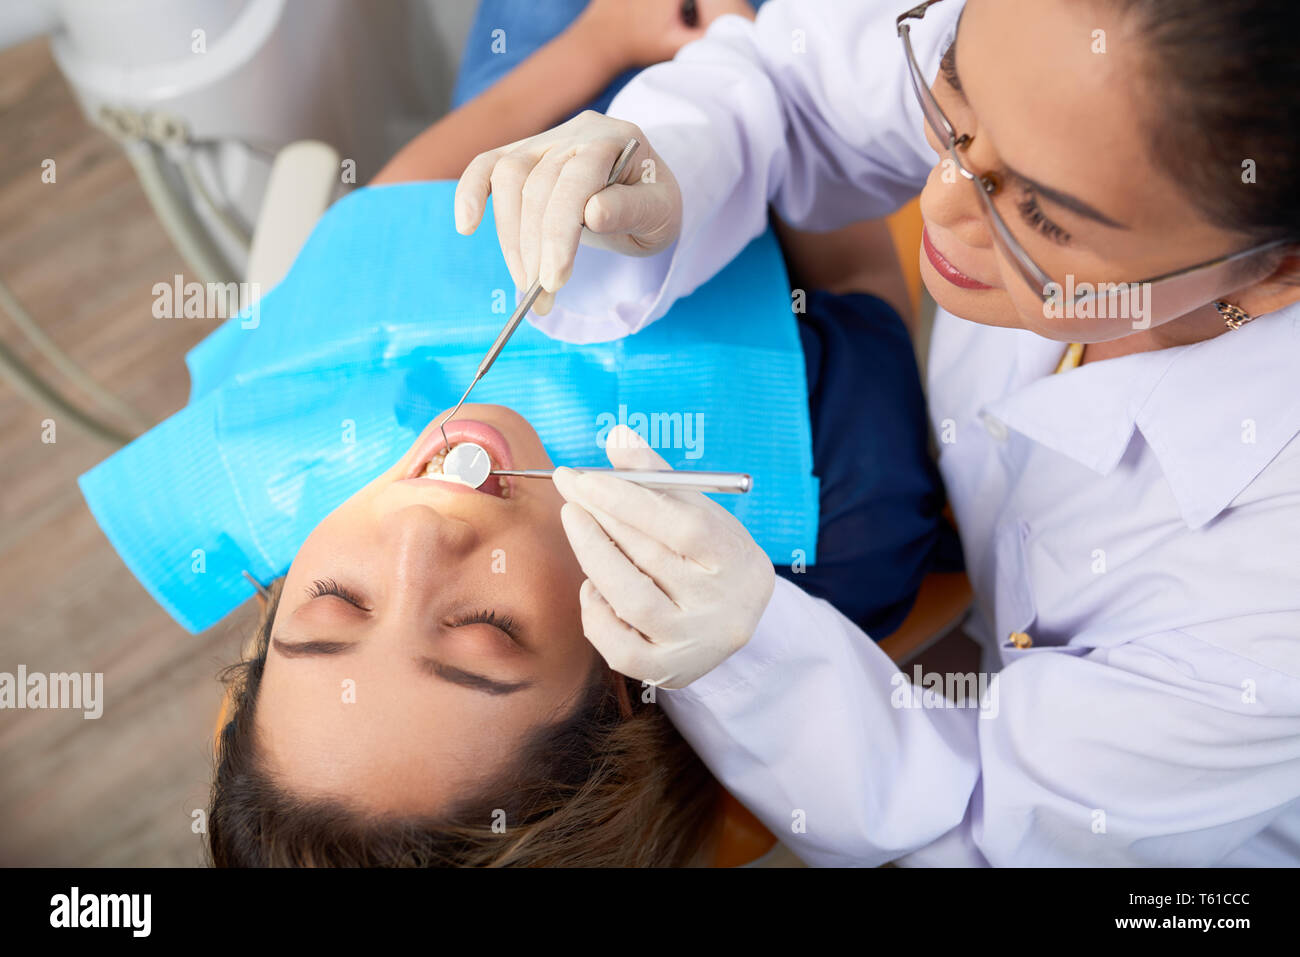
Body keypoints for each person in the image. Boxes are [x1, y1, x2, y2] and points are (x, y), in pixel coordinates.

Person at [453, 0, 1300, 865]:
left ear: (1277, 270)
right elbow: (794, 84)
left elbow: (992, 834)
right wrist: (666, 160)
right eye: (954, 104)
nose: (940, 198)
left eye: (1041, 219)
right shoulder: (1058, 36)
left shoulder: (1270, 606)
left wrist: (752, 657)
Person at [206, 0, 955, 866]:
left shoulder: (286, 445)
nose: (415, 533)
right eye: (484, 623)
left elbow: (395, 227)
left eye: (332, 603)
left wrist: (599, 42)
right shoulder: (842, 520)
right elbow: (860, 271)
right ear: (621, 678)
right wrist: (757, 92)